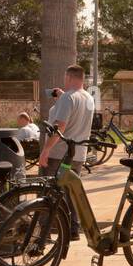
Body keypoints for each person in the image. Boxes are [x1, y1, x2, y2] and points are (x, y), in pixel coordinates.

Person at [38, 65, 94, 234]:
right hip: (78, 155)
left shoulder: (67, 98)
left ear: (69, 78)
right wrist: (62, 100)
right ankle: (73, 229)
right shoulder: (89, 98)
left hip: (59, 154)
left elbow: (60, 126)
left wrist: (46, 150)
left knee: (48, 191)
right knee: (70, 192)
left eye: (65, 77)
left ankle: (45, 233)